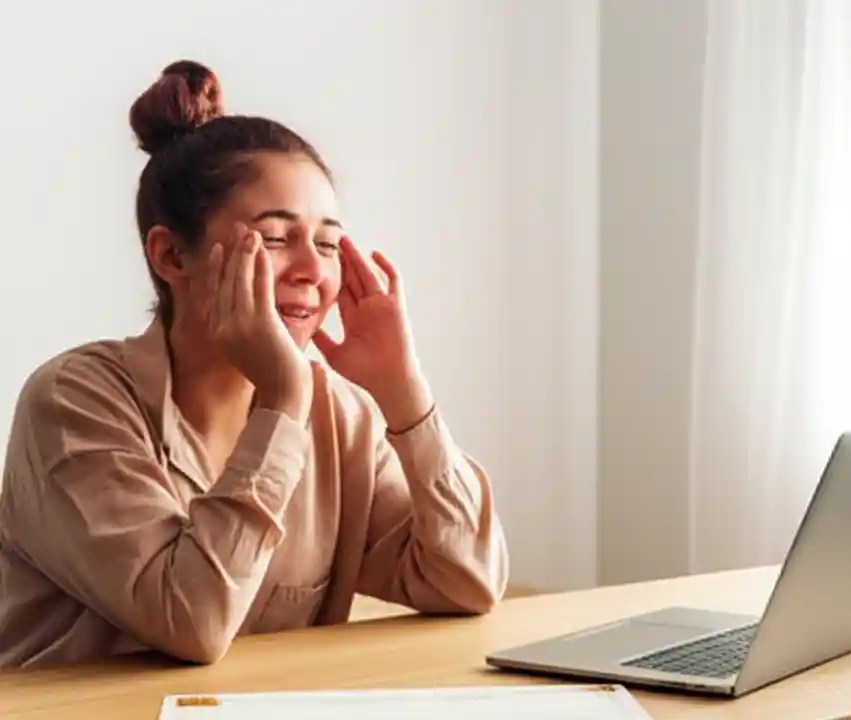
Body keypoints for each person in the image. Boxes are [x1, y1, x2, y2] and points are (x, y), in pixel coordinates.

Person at [0, 60, 508, 667]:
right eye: (273, 237)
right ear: (171, 255)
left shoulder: (341, 416)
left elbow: (466, 581)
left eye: (326, 243)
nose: (312, 271)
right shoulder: (74, 400)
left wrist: (405, 398)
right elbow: (192, 621)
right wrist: (283, 400)